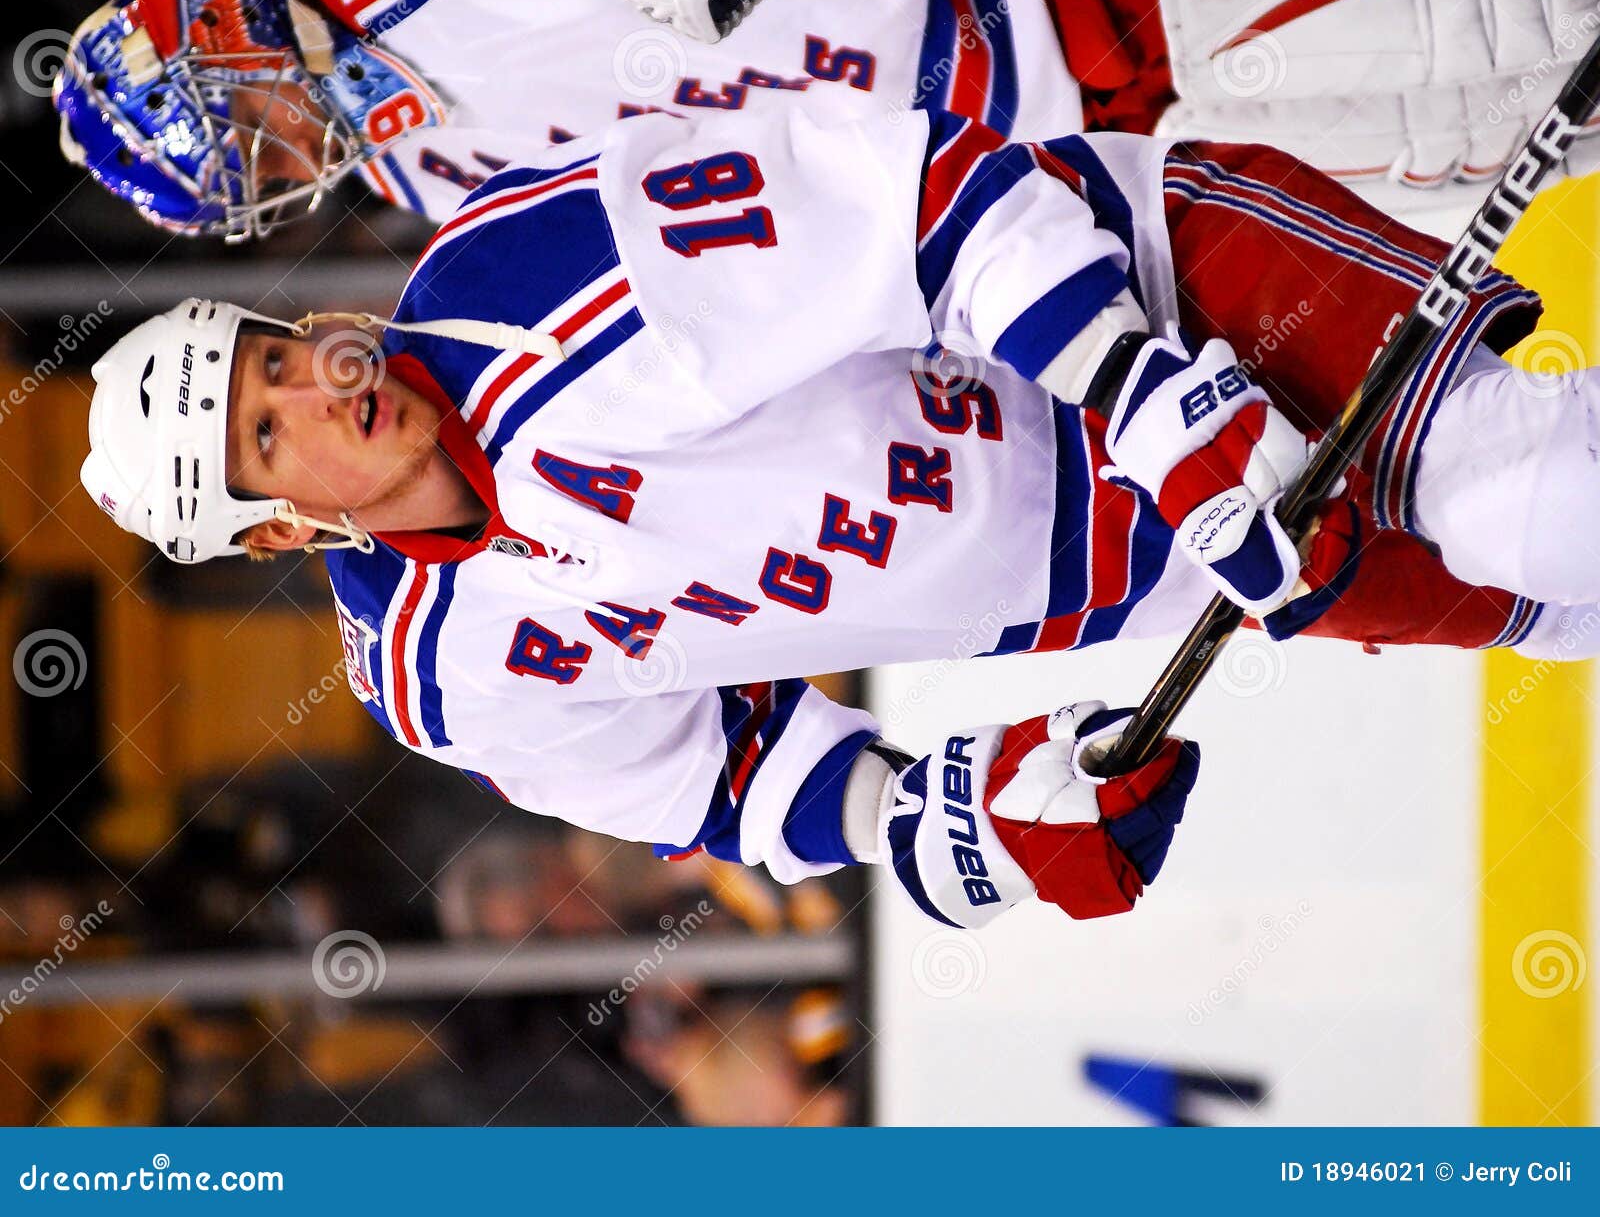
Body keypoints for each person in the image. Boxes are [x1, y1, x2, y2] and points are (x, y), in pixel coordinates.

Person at [77, 93, 1600, 932]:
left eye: (275, 362)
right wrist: (948, 819)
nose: (316, 395)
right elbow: (723, 779)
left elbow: (928, 200)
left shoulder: (513, 283)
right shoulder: (442, 669)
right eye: (267, 434)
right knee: (1553, 600)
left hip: (1163, 287)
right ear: (278, 534)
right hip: (1141, 562)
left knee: (1537, 505)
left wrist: (1142, 392)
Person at [52, 0, 1600, 242]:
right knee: (1519, 123)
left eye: (245, 137)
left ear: (222, 34)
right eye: (257, 182)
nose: (287, 170)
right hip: (1098, 135)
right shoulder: (428, 175)